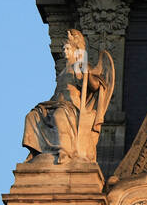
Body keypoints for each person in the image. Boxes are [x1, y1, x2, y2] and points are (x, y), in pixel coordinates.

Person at [22, 29, 114, 164]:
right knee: (32, 116)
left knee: (59, 115)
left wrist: (86, 72)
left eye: (67, 48)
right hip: (55, 103)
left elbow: (95, 86)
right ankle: (37, 151)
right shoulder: (64, 71)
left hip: (71, 106)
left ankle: (64, 152)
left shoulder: (80, 66)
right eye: (64, 48)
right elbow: (57, 92)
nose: (64, 51)